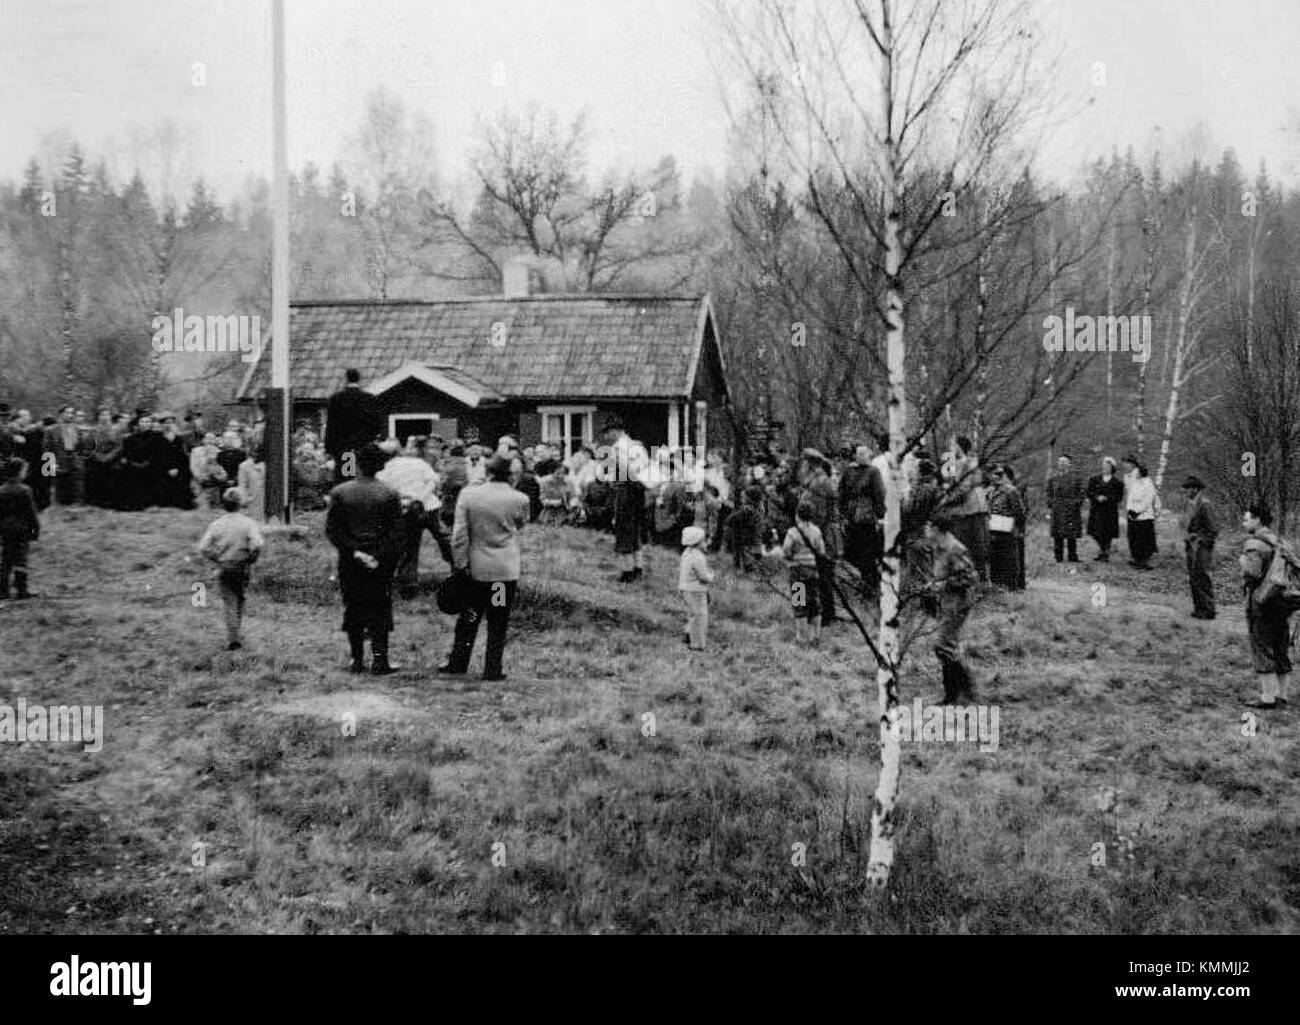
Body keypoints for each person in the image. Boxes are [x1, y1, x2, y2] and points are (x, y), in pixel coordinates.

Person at [439, 454, 530, 681]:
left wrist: (460, 564)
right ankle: (492, 668)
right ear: (509, 475)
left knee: (469, 617)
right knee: (498, 619)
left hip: (476, 569)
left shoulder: (469, 495)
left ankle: (458, 662)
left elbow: (459, 535)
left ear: (487, 472)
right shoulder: (519, 498)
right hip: (504, 570)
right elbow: (521, 524)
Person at [326, 443, 404, 675]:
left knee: (353, 607)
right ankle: (380, 660)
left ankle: (357, 660)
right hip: (380, 562)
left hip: (350, 561)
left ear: (357, 464)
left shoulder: (340, 492)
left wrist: (354, 551)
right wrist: (377, 556)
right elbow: (396, 533)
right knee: (380, 608)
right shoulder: (390, 494)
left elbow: (333, 530)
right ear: (380, 466)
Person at [197, 487, 264, 650]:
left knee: (229, 601)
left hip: (224, 566)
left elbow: (203, 547)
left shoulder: (217, 524)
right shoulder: (248, 523)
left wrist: (216, 558)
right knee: (240, 598)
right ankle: (236, 633)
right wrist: (251, 559)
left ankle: (233, 637)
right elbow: (256, 545)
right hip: (242, 566)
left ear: (224, 504)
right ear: (240, 504)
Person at [1240, 503, 1293, 709]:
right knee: (1281, 648)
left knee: (1262, 648)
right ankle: (1282, 695)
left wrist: (1242, 561)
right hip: (1282, 602)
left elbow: (1252, 573)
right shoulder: (1278, 540)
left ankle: (1267, 698)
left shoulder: (1254, 543)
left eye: (1246, 519)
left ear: (1257, 520)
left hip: (1262, 603)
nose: (1244, 522)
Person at [376, 441, 442, 597]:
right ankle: (462, 570)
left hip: (405, 509)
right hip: (429, 505)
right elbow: (433, 481)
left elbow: (384, 493)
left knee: (409, 545)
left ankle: (407, 584)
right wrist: (421, 497)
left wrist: (406, 501)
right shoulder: (418, 462)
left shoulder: (382, 470)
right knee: (443, 538)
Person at [926, 511, 978, 704]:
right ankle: (962, 691)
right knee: (945, 646)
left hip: (958, 602)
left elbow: (968, 578)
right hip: (947, 601)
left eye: (928, 526)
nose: (926, 530)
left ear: (937, 529)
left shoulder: (954, 548)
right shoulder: (939, 546)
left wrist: (944, 585)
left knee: (943, 646)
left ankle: (956, 693)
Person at [799, 449, 842, 623]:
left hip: (819, 536)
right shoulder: (818, 482)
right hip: (821, 535)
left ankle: (810, 613)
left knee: (807, 576)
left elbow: (817, 515)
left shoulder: (819, 484)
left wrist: (807, 537)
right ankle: (820, 613)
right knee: (820, 577)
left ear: (810, 465)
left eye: (804, 464)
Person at [840, 442, 886, 600]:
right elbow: (842, 493)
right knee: (851, 553)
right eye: (860, 454)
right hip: (852, 517)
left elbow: (879, 495)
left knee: (867, 554)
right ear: (855, 456)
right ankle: (869, 583)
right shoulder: (848, 471)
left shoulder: (873, 472)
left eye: (865, 454)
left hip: (866, 518)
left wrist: (879, 516)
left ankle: (871, 587)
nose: (863, 457)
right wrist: (843, 515)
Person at [324, 368, 384, 483]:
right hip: (364, 449)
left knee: (348, 480)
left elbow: (331, 428)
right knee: (365, 479)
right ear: (359, 380)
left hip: (346, 451)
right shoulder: (369, 399)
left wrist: (329, 449)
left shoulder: (336, 399)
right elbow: (377, 426)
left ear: (346, 379)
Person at [943, 436, 989, 582]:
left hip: (967, 510)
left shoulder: (964, 463)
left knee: (967, 546)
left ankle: (972, 581)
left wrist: (945, 501)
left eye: (952, 446)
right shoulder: (964, 462)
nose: (949, 449)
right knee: (976, 547)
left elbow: (962, 488)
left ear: (958, 447)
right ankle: (977, 579)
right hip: (973, 509)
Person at [783, 499, 826, 644]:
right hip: (813, 571)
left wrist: (792, 557)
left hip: (797, 572)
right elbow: (821, 551)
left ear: (797, 515)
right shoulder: (817, 531)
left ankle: (801, 638)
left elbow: (786, 550)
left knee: (799, 603)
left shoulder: (792, 532)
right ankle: (816, 637)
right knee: (814, 604)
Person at [0, 457, 40, 599]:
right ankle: (21, 589)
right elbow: (31, 513)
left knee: (6, 559)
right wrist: (35, 530)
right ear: (19, 472)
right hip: (21, 529)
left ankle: (3, 590)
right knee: (20, 559)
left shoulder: (2, 490)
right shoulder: (25, 490)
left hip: (5, 529)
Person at [1180, 475, 1218, 619]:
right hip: (1191, 546)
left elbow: (1213, 529)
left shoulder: (1205, 504)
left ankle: (1208, 610)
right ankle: (1199, 609)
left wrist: (1200, 539)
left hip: (1202, 548)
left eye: (1188, 488)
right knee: (1193, 577)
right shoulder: (1189, 503)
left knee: (1202, 577)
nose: (1186, 491)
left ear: (1196, 489)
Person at [612, 435, 647, 582]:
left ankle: (628, 571)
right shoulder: (642, 473)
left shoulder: (626, 474)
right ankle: (638, 567)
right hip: (637, 501)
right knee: (635, 535)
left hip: (627, 502)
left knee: (625, 534)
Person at [986, 464, 1025, 590]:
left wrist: (1015, 526)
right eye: (995, 474)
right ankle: (997, 585)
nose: (997, 477)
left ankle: (1011, 586)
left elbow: (1019, 512)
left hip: (1007, 529)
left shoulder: (1011, 491)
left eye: (1000, 474)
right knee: (995, 559)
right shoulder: (990, 491)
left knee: (1009, 559)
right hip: (993, 529)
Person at [678, 524, 714, 650]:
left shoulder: (686, 553)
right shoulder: (698, 556)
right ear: (698, 542)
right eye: (703, 540)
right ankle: (697, 645)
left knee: (693, 614)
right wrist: (711, 576)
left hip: (686, 588)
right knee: (700, 616)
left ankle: (690, 638)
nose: (706, 543)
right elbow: (703, 577)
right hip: (696, 590)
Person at [1046, 454, 1087, 563]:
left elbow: (1081, 494)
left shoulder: (1076, 478)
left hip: (1071, 509)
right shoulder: (1053, 479)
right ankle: (1058, 556)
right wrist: (1051, 504)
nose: (1062, 464)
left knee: (1071, 535)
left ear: (1069, 464)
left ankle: (1072, 556)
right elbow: (1048, 493)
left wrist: (1075, 504)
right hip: (1057, 509)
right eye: (1060, 462)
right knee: (1057, 534)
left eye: (1064, 462)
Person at [1123, 456, 1160, 569]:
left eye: (1137, 472)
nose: (1135, 474)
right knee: (1134, 538)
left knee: (1144, 539)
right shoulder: (1136, 483)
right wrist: (1130, 510)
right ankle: (1137, 558)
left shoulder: (1148, 483)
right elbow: (1130, 497)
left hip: (1144, 516)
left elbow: (1148, 499)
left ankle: (1144, 560)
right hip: (1133, 515)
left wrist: (1138, 511)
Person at [1086, 456, 1124, 561]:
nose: (1105, 468)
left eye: (1107, 466)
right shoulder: (1094, 479)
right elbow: (1089, 492)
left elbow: (1119, 497)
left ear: (1112, 468)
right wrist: (1097, 497)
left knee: (1108, 532)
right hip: (1096, 509)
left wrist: (1107, 498)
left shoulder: (1117, 482)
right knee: (1095, 532)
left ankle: (1105, 552)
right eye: (1103, 466)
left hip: (1109, 511)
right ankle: (1102, 549)